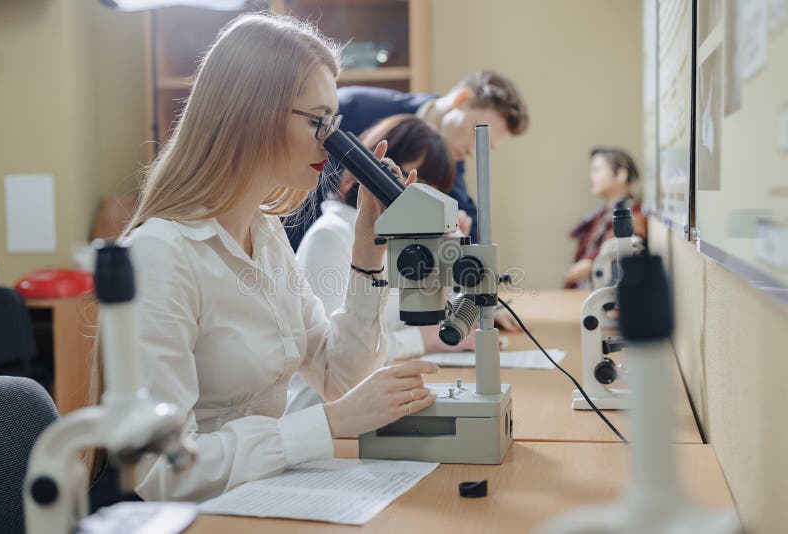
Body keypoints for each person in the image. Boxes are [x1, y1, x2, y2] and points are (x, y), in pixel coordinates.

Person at [113, 13, 440, 502]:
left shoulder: (265, 237)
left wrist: (367, 252)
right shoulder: (161, 254)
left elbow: (338, 376)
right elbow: (161, 470)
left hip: (265, 494)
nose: (332, 143)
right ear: (251, 112)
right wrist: (330, 423)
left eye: (335, 123)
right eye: (317, 122)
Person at [286, 114, 474, 413]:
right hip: (320, 412)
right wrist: (422, 340)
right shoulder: (331, 237)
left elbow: (440, 308)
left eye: (436, 191)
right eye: (420, 183)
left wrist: (450, 239)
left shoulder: (404, 239)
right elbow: (337, 358)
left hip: (376, 402)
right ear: (381, 171)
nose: (425, 198)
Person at [284, 70, 530, 249]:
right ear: (461, 100)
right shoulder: (354, 107)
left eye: (487, 147)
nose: (474, 152)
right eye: (478, 133)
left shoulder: (453, 159)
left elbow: (469, 224)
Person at [564, 148, 647, 289]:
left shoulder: (634, 213)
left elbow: (620, 244)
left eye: (597, 170)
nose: (592, 177)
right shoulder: (601, 214)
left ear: (621, 174)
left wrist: (589, 262)